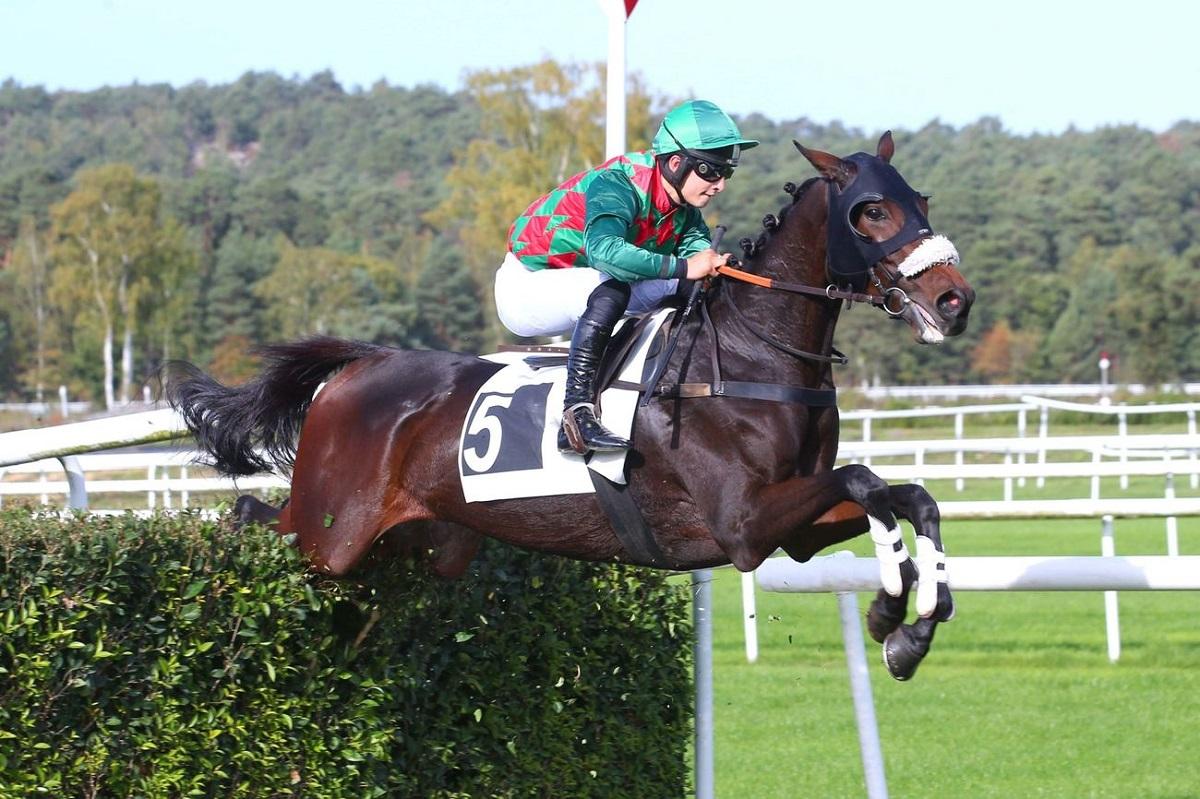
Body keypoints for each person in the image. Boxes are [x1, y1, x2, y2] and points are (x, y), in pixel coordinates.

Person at [494, 99, 758, 454]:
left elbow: (696, 263)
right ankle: (576, 415)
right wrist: (684, 268)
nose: (720, 185)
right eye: (711, 172)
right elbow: (606, 253)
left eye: (727, 173)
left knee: (689, 289)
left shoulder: (684, 210)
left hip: (589, 280)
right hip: (527, 286)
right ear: (677, 163)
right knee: (610, 290)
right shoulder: (616, 183)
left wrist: (716, 269)